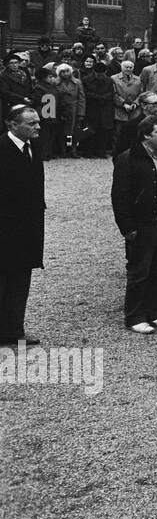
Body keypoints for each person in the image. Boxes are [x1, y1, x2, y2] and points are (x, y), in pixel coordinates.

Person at [111, 115, 157, 334]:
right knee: (140, 272)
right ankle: (134, 316)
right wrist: (128, 228)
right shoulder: (129, 158)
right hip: (144, 225)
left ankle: (154, 312)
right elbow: (120, 196)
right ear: (145, 135)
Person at [0, 105, 44, 346]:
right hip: (4, 229)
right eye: (31, 123)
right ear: (12, 125)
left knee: (19, 283)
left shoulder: (34, 146)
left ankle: (13, 331)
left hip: (27, 229)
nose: (37, 126)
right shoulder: (3, 149)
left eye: (37, 122)